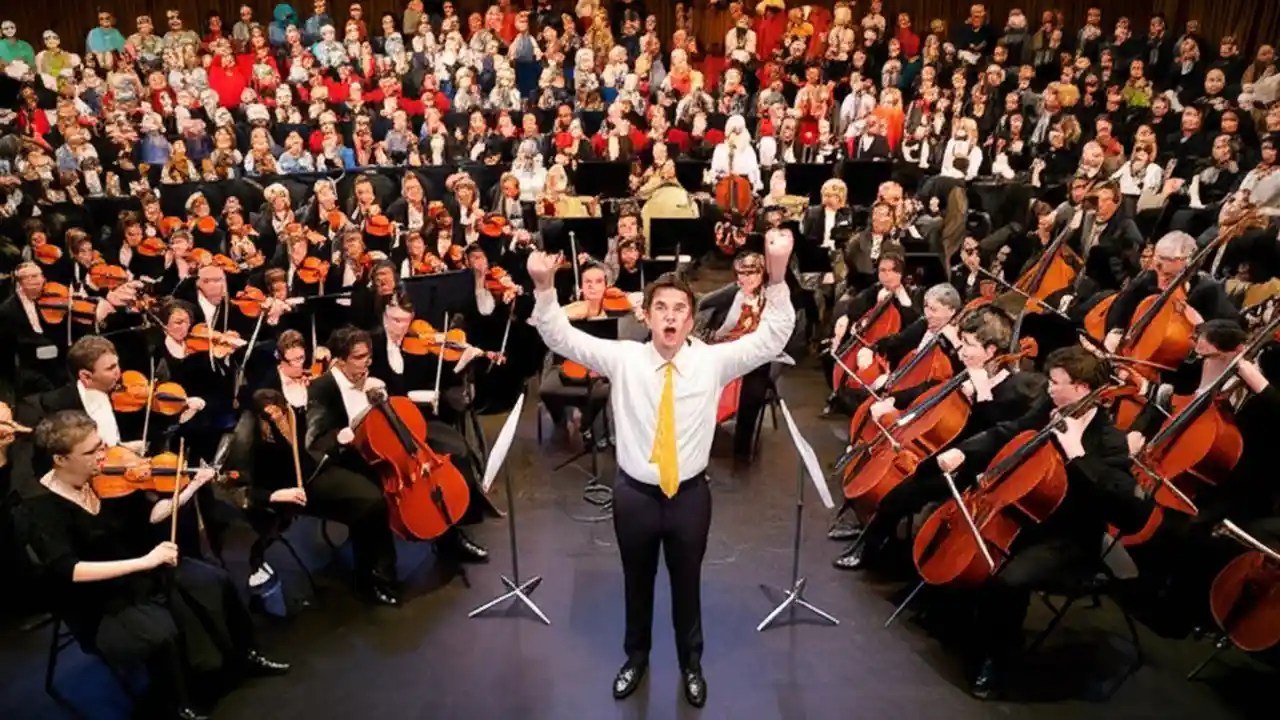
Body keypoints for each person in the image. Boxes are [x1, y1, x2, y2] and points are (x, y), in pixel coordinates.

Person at [527, 229, 796, 707]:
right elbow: (559, 336)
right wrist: (545, 289)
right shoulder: (624, 358)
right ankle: (636, 658)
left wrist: (776, 276)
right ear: (646, 315)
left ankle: (691, 664)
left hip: (690, 497)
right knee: (637, 582)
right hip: (634, 496)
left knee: (687, 584)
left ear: (691, 319)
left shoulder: (713, 362)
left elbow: (773, 335)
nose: (671, 318)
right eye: (662, 309)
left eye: (680, 310)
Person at [19, 410, 289, 720]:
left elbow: (151, 515)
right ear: (60, 460)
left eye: (101, 444)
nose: (104, 454)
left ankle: (245, 655)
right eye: (92, 451)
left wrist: (187, 489)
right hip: (97, 600)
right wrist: (144, 561)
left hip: (143, 570)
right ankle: (177, 703)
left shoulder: (106, 480)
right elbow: (70, 570)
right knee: (161, 630)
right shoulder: (40, 507)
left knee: (213, 579)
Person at [935, 346, 1152, 698]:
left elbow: (1129, 512)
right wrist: (966, 450)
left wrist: (1077, 456)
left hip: (1069, 538)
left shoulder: (1110, 442)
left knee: (1008, 580)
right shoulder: (1051, 410)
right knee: (966, 543)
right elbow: (1011, 431)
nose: (1048, 388)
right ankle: (965, 628)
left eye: (1056, 382)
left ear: (1082, 389)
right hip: (1024, 515)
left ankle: (997, 659)